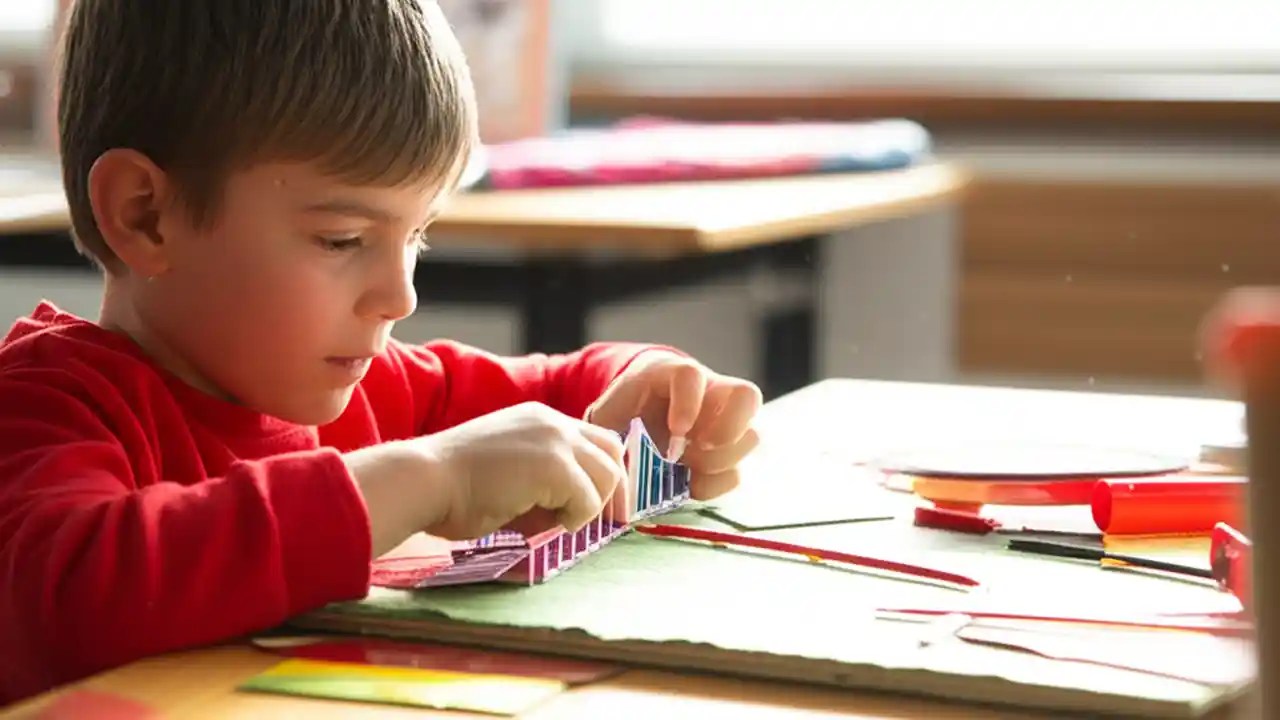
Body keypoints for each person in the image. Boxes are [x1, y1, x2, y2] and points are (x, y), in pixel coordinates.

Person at [0, 0, 762, 704]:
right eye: (344, 240)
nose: (400, 296)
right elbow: (68, 595)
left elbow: (554, 395)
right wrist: (425, 477)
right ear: (147, 215)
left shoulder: (373, 388)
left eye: (418, 236)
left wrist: (647, 388)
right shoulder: (46, 405)